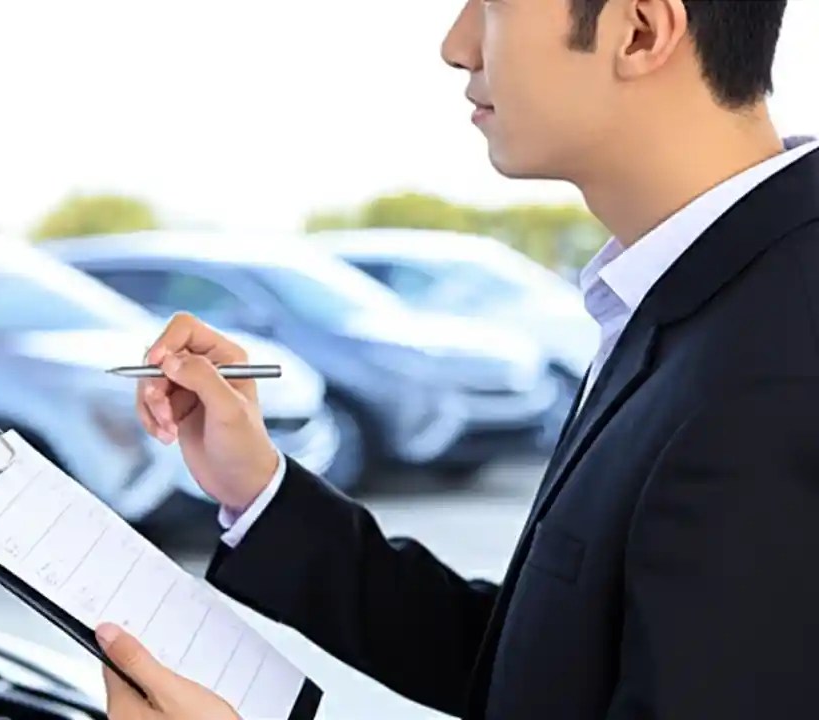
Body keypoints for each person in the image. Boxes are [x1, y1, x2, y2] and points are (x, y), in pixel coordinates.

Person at [91, 0, 819, 718]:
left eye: (493, 6)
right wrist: (256, 487)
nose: (455, 43)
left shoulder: (779, 365)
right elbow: (547, 670)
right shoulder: (709, 288)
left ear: (638, 31)